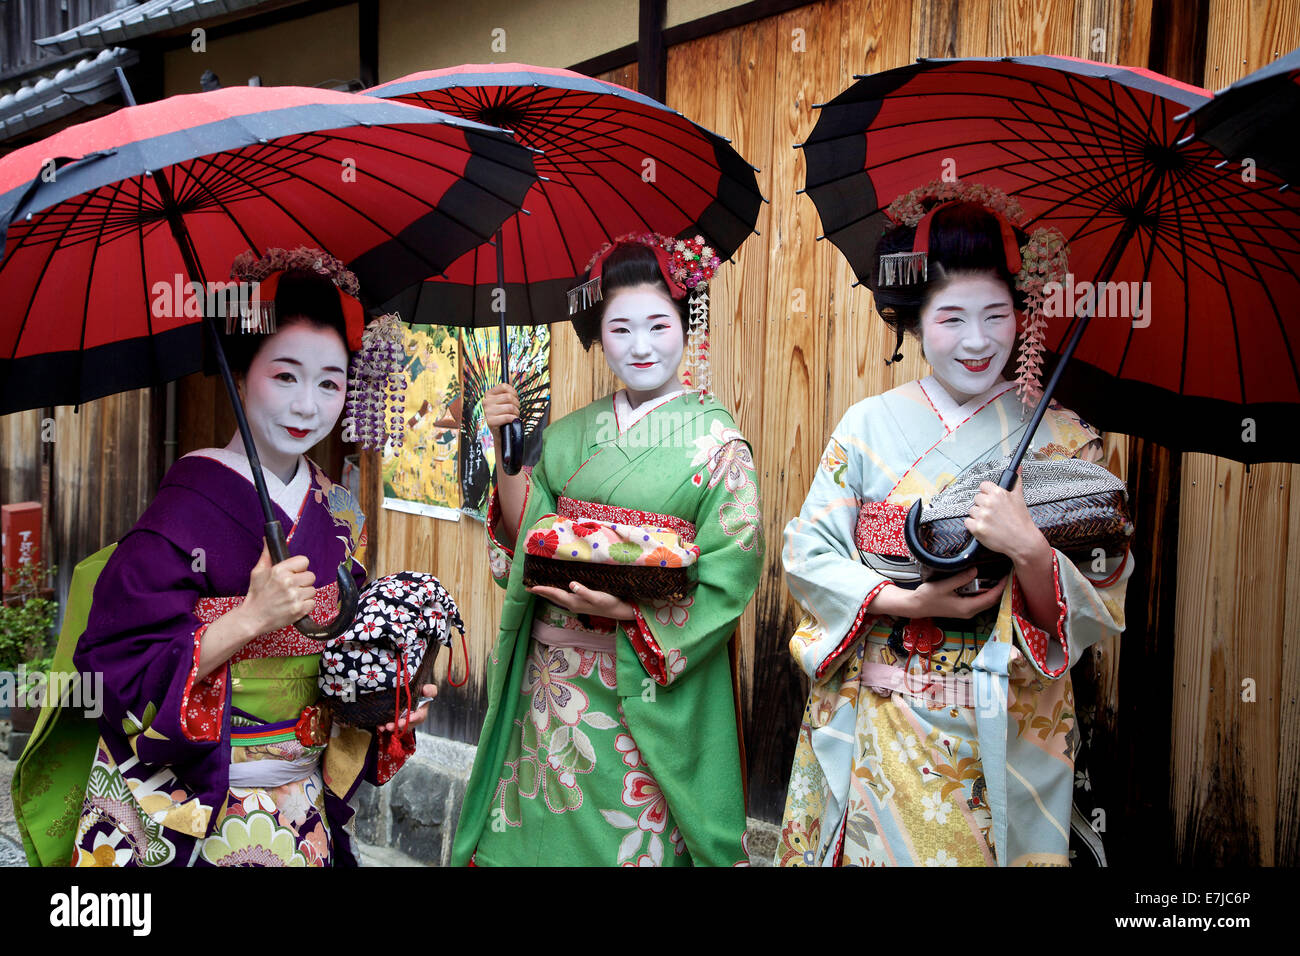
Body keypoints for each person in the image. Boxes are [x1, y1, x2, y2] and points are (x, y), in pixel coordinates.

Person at [777, 184, 1133, 867]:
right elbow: (808, 553)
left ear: (1022, 314)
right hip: (880, 718)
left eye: (997, 314)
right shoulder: (868, 425)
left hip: (1003, 725)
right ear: (914, 320)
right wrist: (907, 599)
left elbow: (1102, 583)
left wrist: (1030, 548)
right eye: (951, 318)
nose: (977, 341)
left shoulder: (1065, 437)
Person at [66, 248, 435, 867]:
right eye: (284, 375)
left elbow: (341, 669)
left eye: (330, 382)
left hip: (301, 804)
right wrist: (248, 620)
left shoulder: (336, 513)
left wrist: (386, 689)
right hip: (193, 803)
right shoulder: (182, 514)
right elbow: (107, 671)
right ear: (241, 374)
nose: (307, 405)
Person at [452, 234, 764, 866]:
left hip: (643, 691)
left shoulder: (719, 446)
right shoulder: (569, 437)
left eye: (658, 325)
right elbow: (524, 539)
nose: (641, 346)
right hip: (553, 690)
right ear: (599, 333)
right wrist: (505, 442)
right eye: (620, 328)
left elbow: (730, 577)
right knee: (540, 839)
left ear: (686, 324)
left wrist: (631, 614)